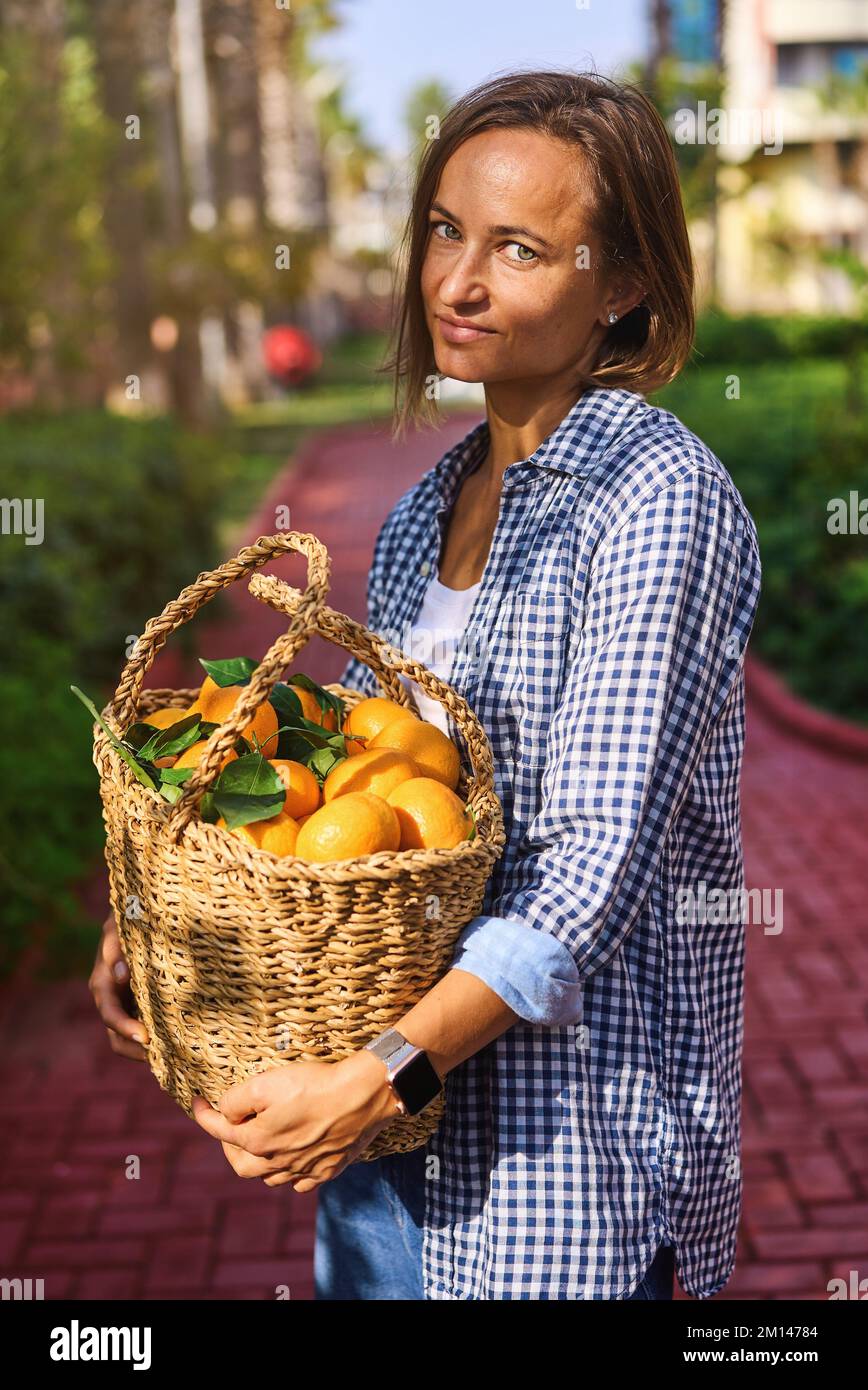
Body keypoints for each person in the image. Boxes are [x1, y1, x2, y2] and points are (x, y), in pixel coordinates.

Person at [93, 68, 762, 1302]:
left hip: (555, 1171)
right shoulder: (418, 517)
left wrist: (375, 1073)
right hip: (384, 1154)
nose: (456, 281)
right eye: (446, 230)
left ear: (621, 286)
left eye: (518, 248)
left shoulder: (656, 500)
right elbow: (342, 805)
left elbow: (589, 876)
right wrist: (167, 916)